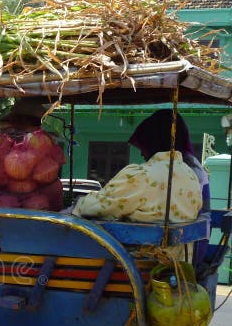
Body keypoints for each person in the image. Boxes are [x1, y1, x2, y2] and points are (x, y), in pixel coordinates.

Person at [72, 110, 206, 260]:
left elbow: (99, 206)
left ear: (153, 142)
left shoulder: (142, 177)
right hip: (179, 264)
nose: (142, 153)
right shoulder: (190, 175)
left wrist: (77, 204)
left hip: (144, 264)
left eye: (143, 144)